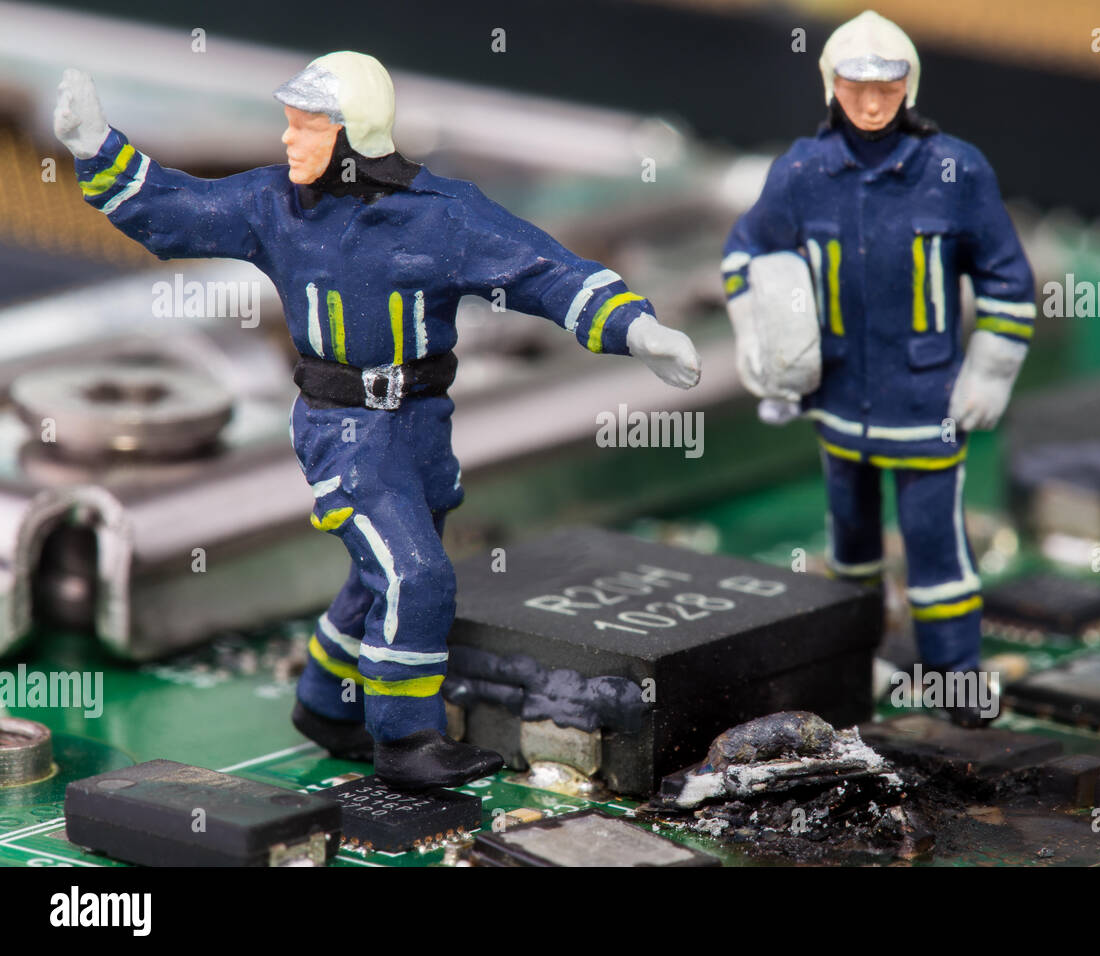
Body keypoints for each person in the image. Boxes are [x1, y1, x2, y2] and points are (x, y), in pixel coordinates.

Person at [53, 51, 700, 788]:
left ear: (355, 134)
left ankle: (326, 703)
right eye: (288, 125)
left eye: (306, 127)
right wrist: (97, 148)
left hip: (423, 425)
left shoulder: (442, 216)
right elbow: (177, 211)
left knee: (376, 578)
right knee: (416, 576)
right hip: (345, 429)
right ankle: (405, 738)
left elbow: (541, 270)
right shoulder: (276, 207)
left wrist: (637, 328)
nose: (288, 142)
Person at [722, 12, 1034, 725]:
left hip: (927, 399)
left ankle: (955, 674)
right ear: (829, 85)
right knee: (850, 549)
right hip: (838, 399)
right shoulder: (801, 171)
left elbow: (1007, 280)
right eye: (854, 85)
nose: (869, 102)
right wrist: (762, 348)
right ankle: (855, 661)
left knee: (938, 549)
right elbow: (744, 257)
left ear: (909, 87)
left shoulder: (956, 170)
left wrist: (990, 371)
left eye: (886, 86)